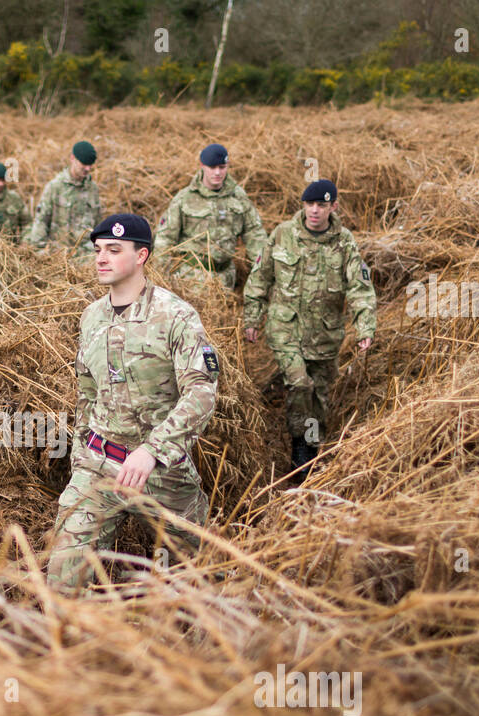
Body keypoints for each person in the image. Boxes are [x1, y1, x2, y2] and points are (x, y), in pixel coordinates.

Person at [47, 214, 219, 589]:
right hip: (98, 465)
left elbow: (202, 391)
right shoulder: (91, 317)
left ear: (141, 256)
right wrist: (80, 454)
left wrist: (153, 450)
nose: (100, 258)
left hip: (161, 471)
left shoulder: (176, 316)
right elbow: (87, 393)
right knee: (63, 578)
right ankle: (86, 643)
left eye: (113, 250)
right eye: (97, 250)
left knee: (202, 576)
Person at [243, 179, 375, 478]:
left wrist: (364, 327)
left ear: (333, 207)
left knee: (320, 395)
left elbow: (360, 287)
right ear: (303, 205)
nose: (315, 211)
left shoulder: (344, 243)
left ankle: (313, 445)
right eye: (310, 204)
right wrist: (252, 318)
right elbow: (260, 278)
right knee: (300, 384)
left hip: (325, 335)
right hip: (285, 328)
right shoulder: (283, 235)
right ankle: (300, 451)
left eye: (322, 205)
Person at [154, 143, 268, 292]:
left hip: (226, 279)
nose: (217, 173)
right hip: (191, 279)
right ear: (202, 166)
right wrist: (162, 281)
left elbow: (254, 234)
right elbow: (165, 239)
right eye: (212, 167)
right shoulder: (185, 198)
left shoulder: (238, 196)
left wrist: (263, 272)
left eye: (222, 167)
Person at [26, 140, 101, 256]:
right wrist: (38, 250)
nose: (88, 168)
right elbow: (41, 221)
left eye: (90, 165)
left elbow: (98, 223)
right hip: (59, 254)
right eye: (84, 164)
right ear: (72, 159)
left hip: (86, 255)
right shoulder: (55, 187)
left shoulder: (93, 189)